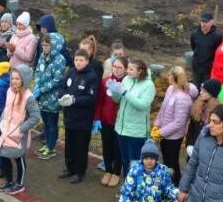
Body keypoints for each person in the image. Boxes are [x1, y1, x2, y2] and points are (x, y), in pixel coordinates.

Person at [153, 66, 198, 202]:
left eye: (170, 76)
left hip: (174, 137)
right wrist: (157, 125)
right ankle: (167, 187)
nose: (168, 77)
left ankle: (174, 191)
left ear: (175, 78)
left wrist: (161, 132)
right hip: (165, 133)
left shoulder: (183, 98)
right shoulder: (171, 89)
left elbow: (179, 122)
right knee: (166, 161)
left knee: (172, 163)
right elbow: (163, 109)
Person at [0, 65, 41, 195]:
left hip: (18, 134)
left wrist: (22, 129)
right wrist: (2, 121)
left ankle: (19, 184)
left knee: (18, 157)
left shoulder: (28, 97)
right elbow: (6, 109)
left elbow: (35, 117)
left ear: (24, 79)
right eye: (12, 78)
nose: (14, 81)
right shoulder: (9, 91)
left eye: (17, 78)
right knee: (4, 155)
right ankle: (9, 181)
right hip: (6, 131)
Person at [57, 49, 99, 184]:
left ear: (87, 61)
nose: (78, 63)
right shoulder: (70, 72)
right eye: (76, 60)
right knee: (69, 144)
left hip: (83, 119)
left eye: (81, 60)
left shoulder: (92, 77)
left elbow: (91, 98)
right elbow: (62, 86)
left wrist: (74, 100)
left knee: (81, 146)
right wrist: (63, 96)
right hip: (69, 116)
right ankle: (69, 168)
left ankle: (79, 172)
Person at [110, 59, 155, 178]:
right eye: (128, 69)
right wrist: (114, 91)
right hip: (121, 128)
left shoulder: (149, 86)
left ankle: (136, 186)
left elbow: (142, 105)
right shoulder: (126, 79)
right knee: (125, 161)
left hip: (136, 132)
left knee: (135, 162)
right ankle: (127, 185)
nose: (127, 71)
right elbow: (118, 100)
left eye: (131, 69)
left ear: (140, 71)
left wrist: (125, 92)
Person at [33, 33, 67, 161]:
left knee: (52, 124)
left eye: (47, 45)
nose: (44, 47)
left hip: (52, 97)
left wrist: (43, 88)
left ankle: (51, 147)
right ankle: (47, 144)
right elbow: (37, 71)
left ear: (54, 46)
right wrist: (37, 84)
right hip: (42, 97)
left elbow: (57, 80)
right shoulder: (42, 56)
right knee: (45, 122)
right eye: (43, 45)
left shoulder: (60, 59)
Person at [94, 56, 127, 187]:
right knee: (107, 147)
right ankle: (108, 170)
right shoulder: (106, 81)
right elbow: (99, 101)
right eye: (115, 67)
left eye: (120, 67)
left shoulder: (127, 83)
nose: (117, 70)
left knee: (118, 148)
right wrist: (97, 118)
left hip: (120, 122)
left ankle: (116, 173)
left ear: (125, 69)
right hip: (105, 120)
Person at [186, 79, 221, 159]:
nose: (201, 92)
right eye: (201, 90)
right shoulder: (198, 104)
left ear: (212, 93)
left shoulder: (218, 110)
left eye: (204, 91)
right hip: (193, 145)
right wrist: (189, 144)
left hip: (206, 150)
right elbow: (191, 128)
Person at [190, 12, 223, 89]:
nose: (203, 24)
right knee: (196, 88)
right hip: (196, 66)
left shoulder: (217, 36)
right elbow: (193, 47)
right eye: (202, 21)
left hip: (209, 68)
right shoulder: (195, 33)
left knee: (206, 89)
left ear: (212, 22)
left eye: (206, 22)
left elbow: (218, 52)